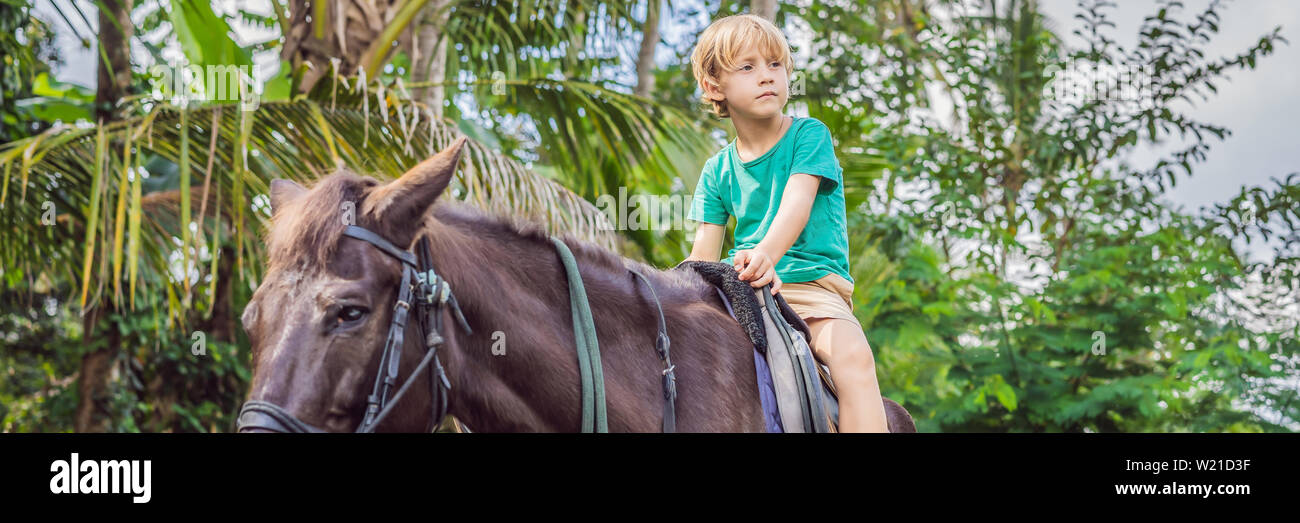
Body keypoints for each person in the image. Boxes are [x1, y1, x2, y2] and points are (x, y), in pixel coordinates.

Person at [682, 13, 889, 432]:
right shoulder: (716, 170)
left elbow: (796, 203)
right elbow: (703, 256)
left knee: (851, 356)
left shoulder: (808, 135)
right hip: (746, 295)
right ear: (713, 86)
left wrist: (765, 256)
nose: (766, 77)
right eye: (747, 67)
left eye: (775, 65)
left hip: (811, 290)